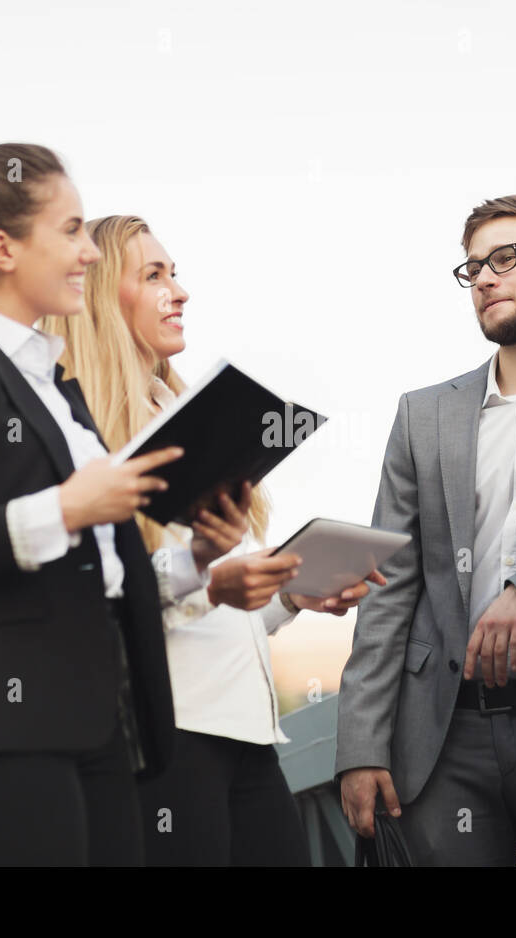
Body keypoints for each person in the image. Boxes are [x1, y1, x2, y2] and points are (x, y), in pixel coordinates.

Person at [40, 215, 383, 865]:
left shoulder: (188, 419)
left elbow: (212, 606)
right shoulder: (78, 436)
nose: (180, 291)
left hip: (250, 737)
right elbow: (101, 589)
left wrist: (288, 596)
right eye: (154, 275)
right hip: (167, 739)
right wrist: (205, 569)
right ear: (104, 294)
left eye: (175, 273)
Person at [0, 145, 183, 866]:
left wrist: (199, 560)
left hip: (98, 720)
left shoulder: (58, 388)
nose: (88, 252)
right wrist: (66, 509)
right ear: (2, 248)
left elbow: (103, 569)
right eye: (73, 231)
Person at [336, 196, 516, 865]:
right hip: (442, 740)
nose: (487, 279)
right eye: (473, 269)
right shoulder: (423, 416)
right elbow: (389, 589)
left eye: (506, 258)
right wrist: (360, 745)